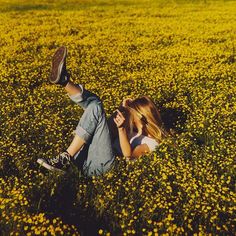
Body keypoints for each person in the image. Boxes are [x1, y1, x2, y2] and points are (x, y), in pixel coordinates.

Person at [37, 46, 171, 177]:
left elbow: (129, 155)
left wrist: (122, 130)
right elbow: (104, 126)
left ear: (141, 116)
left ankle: (64, 158)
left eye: (131, 112)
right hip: (90, 157)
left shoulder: (151, 143)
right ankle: (64, 80)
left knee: (97, 107)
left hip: (104, 167)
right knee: (95, 104)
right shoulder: (132, 130)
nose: (129, 115)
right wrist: (121, 109)